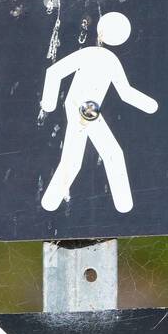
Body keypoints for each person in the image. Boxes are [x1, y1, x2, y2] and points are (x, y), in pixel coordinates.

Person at [39, 11, 158, 213]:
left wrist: (150, 105)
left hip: (91, 110)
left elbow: (125, 92)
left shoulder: (111, 60)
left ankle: (123, 208)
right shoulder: (91, 54)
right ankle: (50, 204)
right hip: (80, 107)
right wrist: (48, 103)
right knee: (92, 156)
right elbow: (54, 72)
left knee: (99, 155)